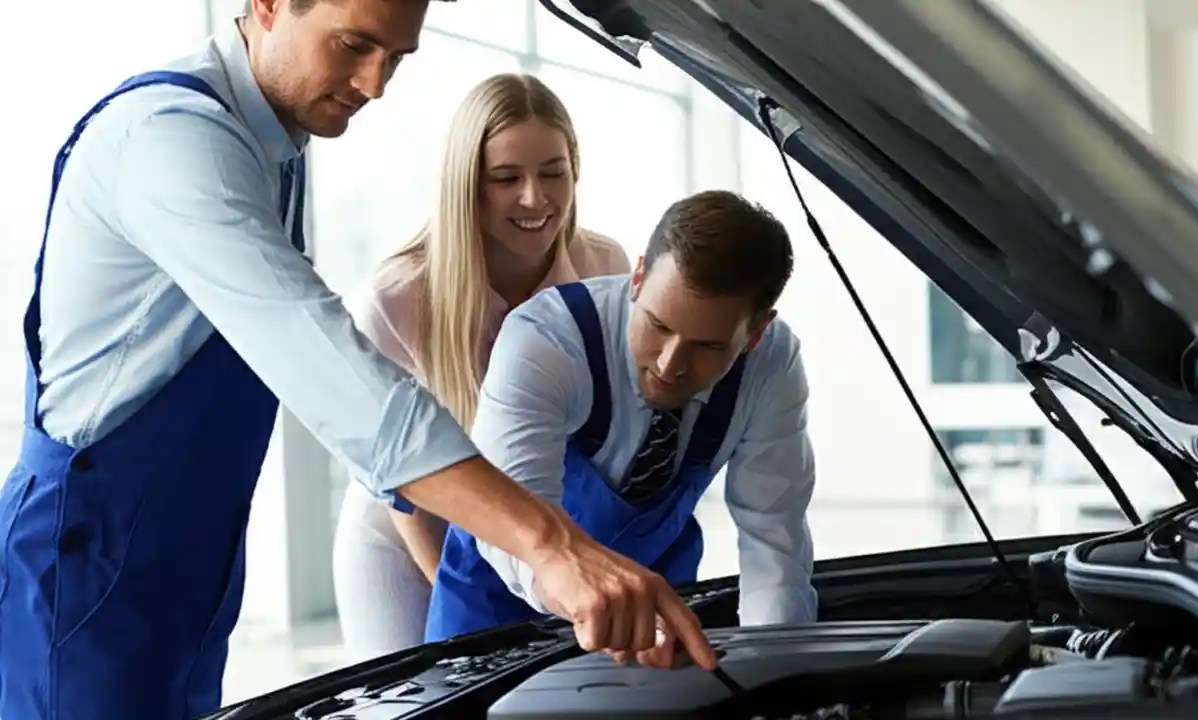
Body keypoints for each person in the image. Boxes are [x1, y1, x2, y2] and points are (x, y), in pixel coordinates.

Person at [0, 2, 713, 719]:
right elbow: (338, 377)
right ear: (269, 5)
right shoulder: (171, 143)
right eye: (353, 45)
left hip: (181, 565)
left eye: (396, 58)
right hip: (86, 562)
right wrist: (552, 549)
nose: (374, 85)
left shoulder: (271, 140)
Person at [426, 190, 820, 656]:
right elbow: (516, 524)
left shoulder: (771, 366)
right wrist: (594, 604)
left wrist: (775, 671)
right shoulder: (544, 340)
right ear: (637, 278)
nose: (671, 364)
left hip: (652, 604)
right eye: (657, 324)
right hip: (494, 602)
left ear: (756, 333)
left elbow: (774, 542)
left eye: (708, 347)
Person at [332, 72, 632, 663]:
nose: (534, 198)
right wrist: (464, 603)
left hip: (543, 530)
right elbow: (402, 488)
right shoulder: (398, 298)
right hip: (411, 537)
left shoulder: (605, 265)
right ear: (466, 185)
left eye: (553, 173)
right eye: (505, 179)